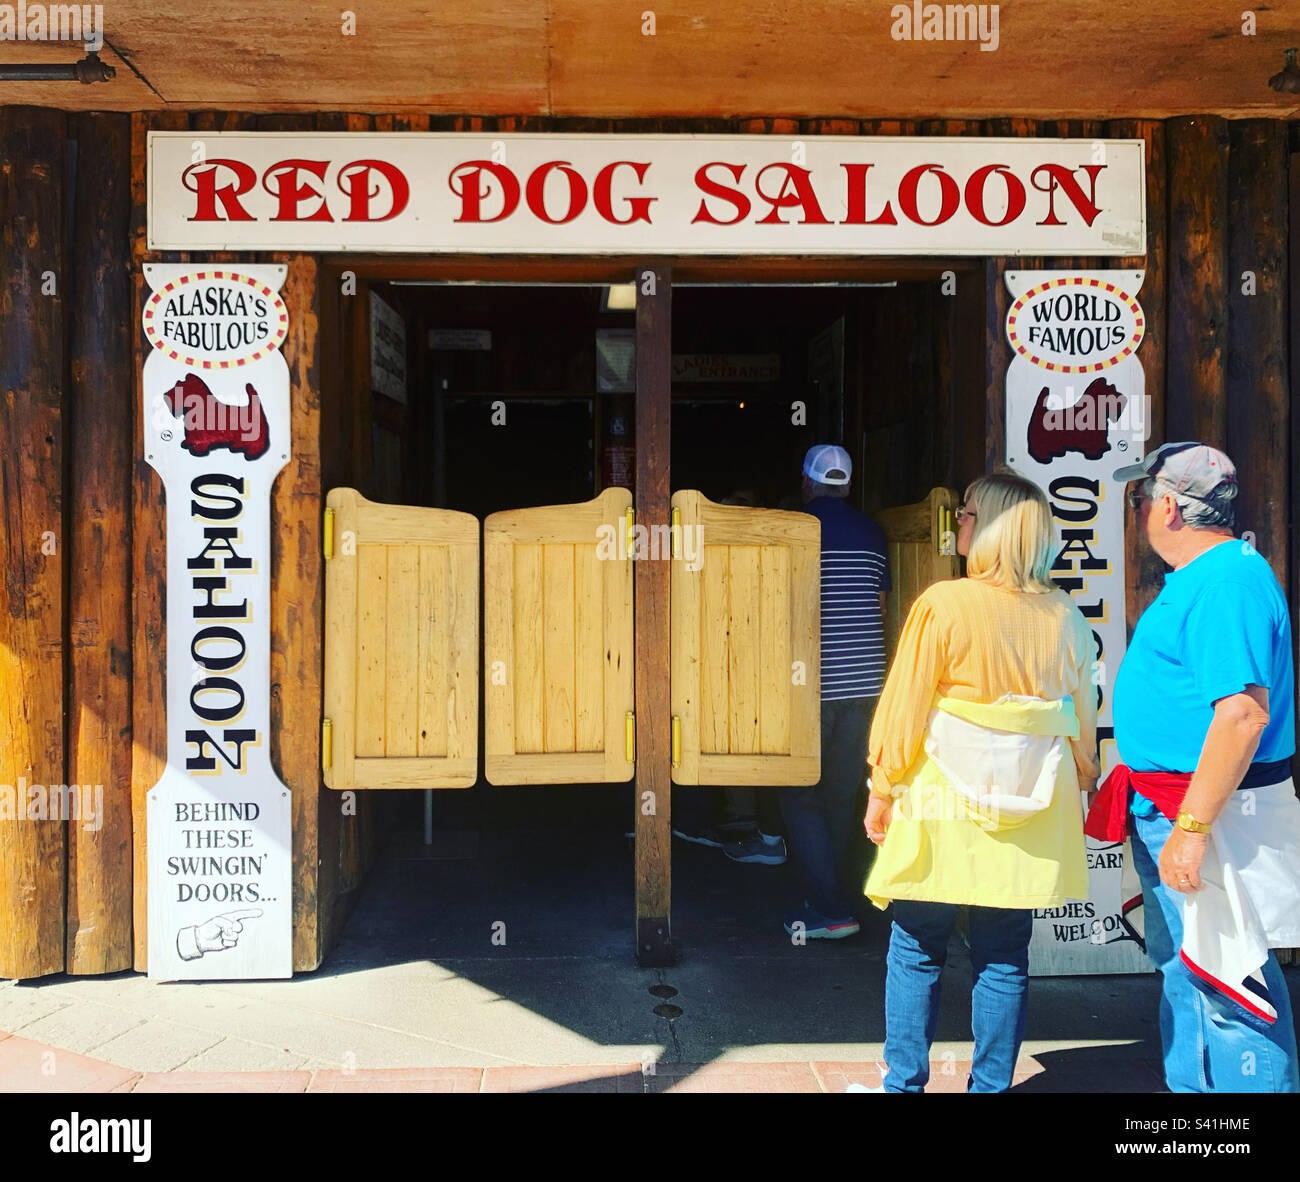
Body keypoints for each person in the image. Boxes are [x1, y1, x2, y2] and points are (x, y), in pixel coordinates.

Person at [861, 472, 1097, 1093]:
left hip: (941, 804)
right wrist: (1088, 778)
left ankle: (903, 1085)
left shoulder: (944, 604)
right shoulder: (1065, 615)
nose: (956, 522)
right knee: (1003, 955)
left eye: (965, 513)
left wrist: (881, 788)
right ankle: (990, 1088)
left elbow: (905, 707)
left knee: (916, 946)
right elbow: (1082, 724)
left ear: (989, 527)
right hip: (1029, 808)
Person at [1086, 442, 1300, 1093]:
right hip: (1180, 805)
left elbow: (1242, 715)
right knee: (1192, 969)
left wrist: (1193, 826)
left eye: (1138, 498)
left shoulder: (1225, 582)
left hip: (1211, 811)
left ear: (1170, 506)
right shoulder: (1213, 574)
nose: (1137, 512)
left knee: (1231, 982)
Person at [757, 444, 889, 937]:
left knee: (798, 795)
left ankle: (831, 909)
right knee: (839, 795)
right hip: (865, 684)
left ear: (807, 483)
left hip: (809, 686)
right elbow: (878, 609)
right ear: (848, 485)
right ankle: (840, 899)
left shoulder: (793, 531)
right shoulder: (873, 534)